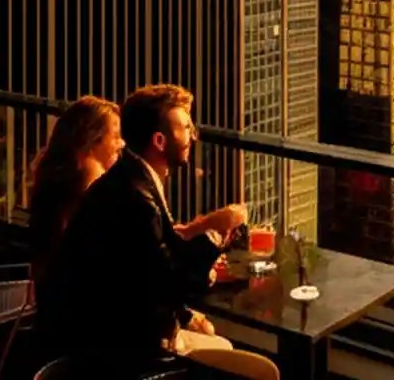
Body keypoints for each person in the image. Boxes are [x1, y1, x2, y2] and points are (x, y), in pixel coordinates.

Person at [36, 84, 247, 363]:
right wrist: (216, 236)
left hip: (96, 335)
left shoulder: (130, 180)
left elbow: (156, 258)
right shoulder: (136, 197)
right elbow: (170, 283)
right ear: (159, 141)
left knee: (218, 343)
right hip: (117, 351)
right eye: (185, 127)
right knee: (232, 359)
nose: (193, 134)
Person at [27, 96, 124, 295]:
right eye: (115, 136)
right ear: (92, 139)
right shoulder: (95, 200)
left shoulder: (54, 191)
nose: (121, 143)